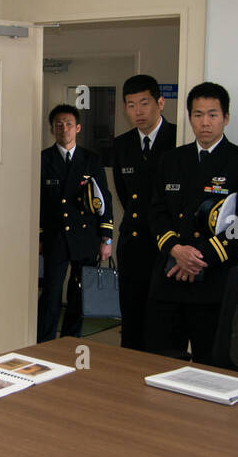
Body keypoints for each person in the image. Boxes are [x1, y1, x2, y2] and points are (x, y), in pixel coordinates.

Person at [146, 81, 238, 364]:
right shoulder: (170, 160)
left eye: (213, 114)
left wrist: (199, 258)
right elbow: (157, 213)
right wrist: (176, 250)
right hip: (169, 279)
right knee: (159, 366)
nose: (205, 122)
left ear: (226, 118)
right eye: (198, 115)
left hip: (214, 283)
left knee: (210, 370)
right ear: (189, 118)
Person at [111, 74, 176, 351]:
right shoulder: (121, 144)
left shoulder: (177, 138)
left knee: (161, 325)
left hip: (164, 249)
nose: (138, 111)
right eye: (131, 105)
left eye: (144, 103)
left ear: (160, 103)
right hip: (133, 244)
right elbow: (127, 196)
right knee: (132, 324)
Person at [37, 104, 113, 341]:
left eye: (69, 124)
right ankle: (45, 340)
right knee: (51, 293)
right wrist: (39, 236)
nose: (64, 129)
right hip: (55, 237)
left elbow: (104, 199)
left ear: (78, 128)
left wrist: (106, 238)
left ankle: (71, 339)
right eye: (59, 124)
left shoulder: (91, 160)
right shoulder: (43, 159)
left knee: (79, 294)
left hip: (85, 237)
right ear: (52, 129)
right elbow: (37, 202)